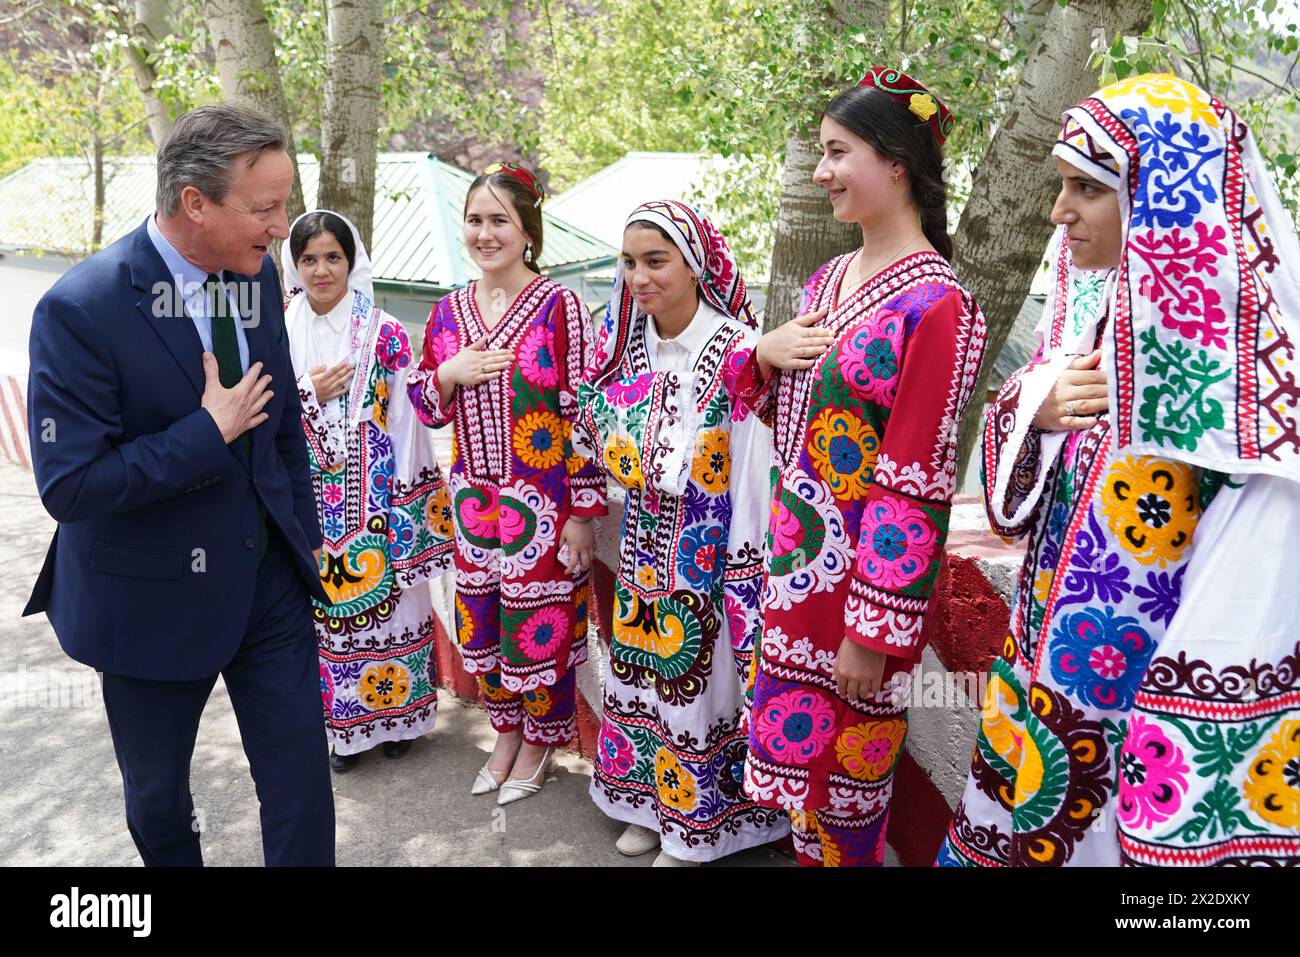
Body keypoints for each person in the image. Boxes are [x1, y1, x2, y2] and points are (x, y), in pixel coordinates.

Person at [940, 73, 1300, 867]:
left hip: (1143, 706)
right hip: (1047, 677)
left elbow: (1259, 584)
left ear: (1163, 199)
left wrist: (1176, 725)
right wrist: (1034, 404)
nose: (1058, 211)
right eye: (1061, 184)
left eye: (1086, 188)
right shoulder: (1098, 315)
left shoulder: (1244, 380)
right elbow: (1029, 445)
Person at [24, 104, 335, 866]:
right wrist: (205, 432)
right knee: (160, 804)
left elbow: (283, 424)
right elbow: (70, 485)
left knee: (301, 787)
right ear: (195, 203)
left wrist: (307, 536)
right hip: (148, 600)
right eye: (265, 209)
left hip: (266, 585)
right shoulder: (80, 308)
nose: (282, 227)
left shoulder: (259, 277)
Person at [734, 69, 987, 867]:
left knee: (848, 796)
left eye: (838, 152)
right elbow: (799, 429)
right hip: (794, 580)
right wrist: (762, 355)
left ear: (896, 162)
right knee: (801, 799)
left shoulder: (939, 305)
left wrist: (873, 629)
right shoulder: (830, 279)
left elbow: (918, 478)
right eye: (821, 152)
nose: (821, 171)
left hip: (858, 602)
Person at [572, 200, 789, 866]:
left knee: (699, 681)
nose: (639, 277)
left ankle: (696, 827)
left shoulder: (737, 349)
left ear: (695, 266)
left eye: (656, 261)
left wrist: (745, 563)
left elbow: (756, 461)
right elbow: (586, 428)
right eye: (629, 262)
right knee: (640, 675)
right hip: (643, 547)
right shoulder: (624, 344)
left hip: (712, 551)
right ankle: (647, 804)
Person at [406, 163, 606, 804]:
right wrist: (449, 374)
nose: (485, 233)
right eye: (475, 220)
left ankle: (541, 740)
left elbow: (584, 412)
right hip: (474, 507)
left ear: (528, 232)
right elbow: (426, 404)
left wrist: (583, 511)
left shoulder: (560, 307)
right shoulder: (447, 313)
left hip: (543, 507)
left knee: (539, 625)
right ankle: (506, 733)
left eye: (500, 220)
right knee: (485, 623)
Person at [283, 210, 455, 772]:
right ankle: (345, 732)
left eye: (333, 257)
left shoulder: (384, 332)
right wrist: (304, 392)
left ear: (351, 262)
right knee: (328, 616)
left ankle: (401, 720)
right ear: (295, 265)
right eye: (309, 259)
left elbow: (407, 421)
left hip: (380, 497)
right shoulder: (278, 328)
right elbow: (263, 408)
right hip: (311, 500)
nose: (321, 270)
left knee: (394, 608)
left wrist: (409, 508)